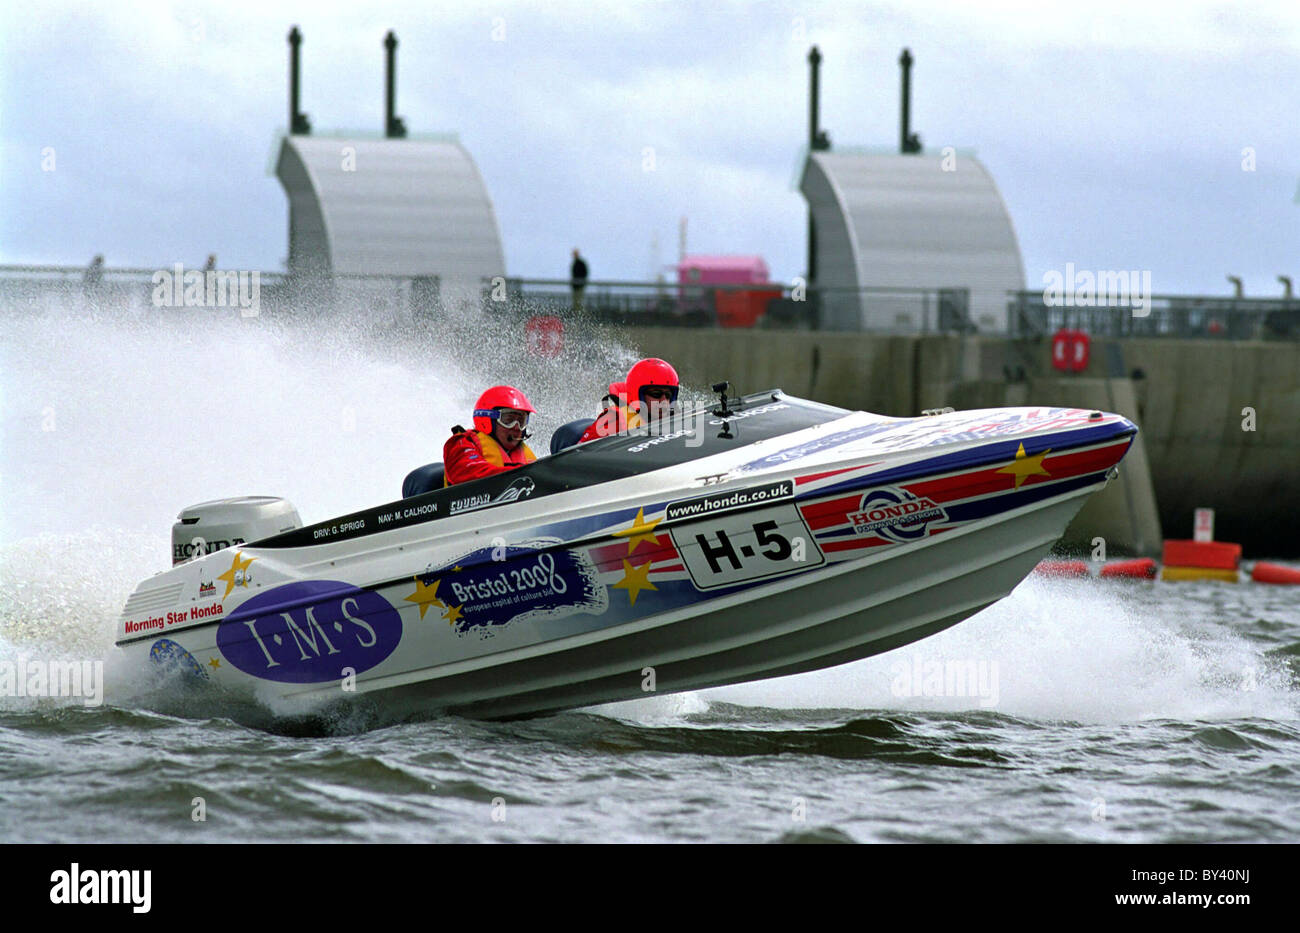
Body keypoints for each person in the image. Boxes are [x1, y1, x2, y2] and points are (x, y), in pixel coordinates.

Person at [443, 385, 538, 486]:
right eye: (509, 420)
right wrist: (526, 473)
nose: (516, 427)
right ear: (487, 420)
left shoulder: (525, 452)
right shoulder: (461, 444)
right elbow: (469, 474)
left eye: (521, 421)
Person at [578, 358, 679, 443]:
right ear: (637, 395)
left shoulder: (678, 420)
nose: (664, 401)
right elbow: (579, 458)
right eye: (656, 394)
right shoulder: (614, 423)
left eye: (668, 395)